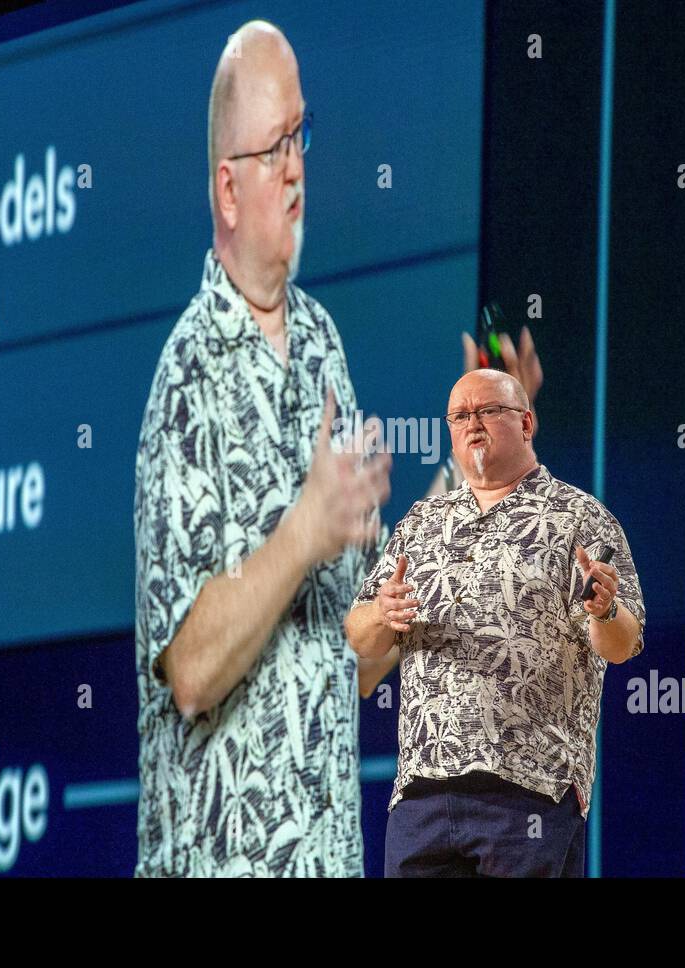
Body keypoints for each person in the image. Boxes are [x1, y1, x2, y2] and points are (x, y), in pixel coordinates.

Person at [133, 20, 542, 877]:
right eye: (273, 147)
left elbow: (363, 647)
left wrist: (479, 455)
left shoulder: (322, 344)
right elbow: (192, 672)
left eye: (302, 137)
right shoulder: (187, 373)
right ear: (228, 191)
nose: (295, 167)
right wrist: (305, 533)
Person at [345, 368, 644, 877]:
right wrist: (381, 612)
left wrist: (605, 610)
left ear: (526, 423)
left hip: (529, 791)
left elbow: (622, 644)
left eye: (488, 411)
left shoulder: (579, 518)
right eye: (460, 416)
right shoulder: (421, 523)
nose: (472, 423)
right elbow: (361, 638)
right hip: (423, 794)